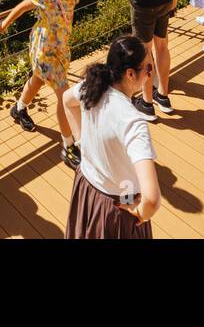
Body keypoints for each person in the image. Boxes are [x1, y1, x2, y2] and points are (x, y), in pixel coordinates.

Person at [63, 36, 161, 238]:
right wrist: (141, 213)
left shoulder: (91, 87)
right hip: (120, 203)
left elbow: (66, 101)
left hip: (87, 187)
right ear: (130, 74)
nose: (150, 74)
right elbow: (151, 200)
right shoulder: (133, 122)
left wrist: (82, 143)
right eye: (148, 69)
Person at [0, 0, 82, 167]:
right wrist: (6, 23)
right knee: (64, 97)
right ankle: (68, 146)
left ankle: (19, 108)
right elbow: (23, 6)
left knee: (37, 78)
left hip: (61, 48)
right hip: (45, 50)